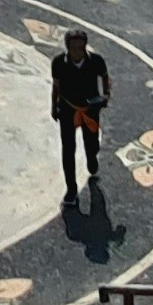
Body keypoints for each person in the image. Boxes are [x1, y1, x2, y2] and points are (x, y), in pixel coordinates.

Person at [51, 29, 112, 199]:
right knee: (68, 148)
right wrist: (53, 106)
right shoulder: (58, 63)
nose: (77, 52)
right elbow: (56, 86)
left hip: (89, 109)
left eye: (80, 47)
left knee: (91, 142)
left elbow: (104, 77)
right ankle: (71, 188)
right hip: (68, 108)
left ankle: (92, 158)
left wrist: (106, 94)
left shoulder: (96, 61)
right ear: (68, 48)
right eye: (73, 48)